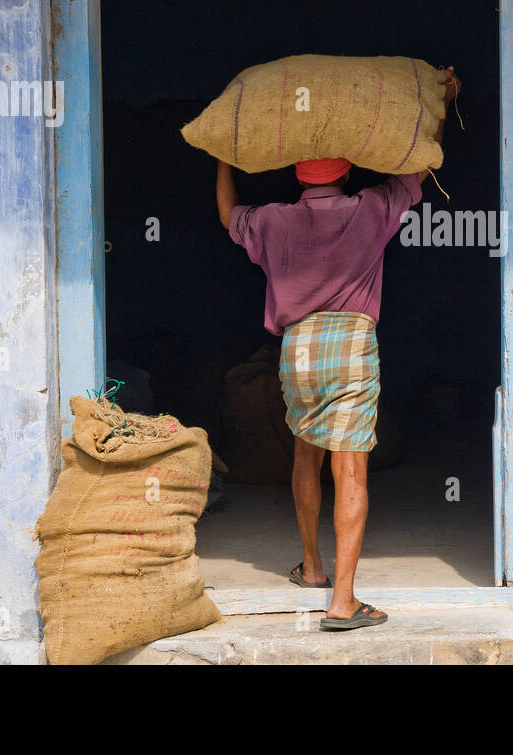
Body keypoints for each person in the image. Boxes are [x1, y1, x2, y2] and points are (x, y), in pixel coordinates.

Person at [215, 66, 461, 630]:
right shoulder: (371, 209)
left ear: (298, 176)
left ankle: (312, 566)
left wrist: (224, 156)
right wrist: (441, 107)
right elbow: (424, 164)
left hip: (297, 350)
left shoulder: (273, 221)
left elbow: (228, 214)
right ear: (347, 169)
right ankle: (343, 602)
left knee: (306, 454)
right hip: (349, 344)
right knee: (351, 473)